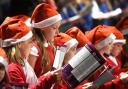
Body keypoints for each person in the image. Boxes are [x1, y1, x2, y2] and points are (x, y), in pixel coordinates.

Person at [0, 17, 60, 89]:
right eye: (30, 42)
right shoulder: (12, 69)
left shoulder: (22, 62)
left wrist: (47, 76)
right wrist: (48, 79)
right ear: (19, 44)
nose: (32, 45)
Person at [30, 3, 62, 78]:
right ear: (42, 27)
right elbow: (30, 82)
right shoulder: (34, 49)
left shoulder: (50, 45)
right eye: (54, 28)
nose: (58, 32)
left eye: (58, 28)